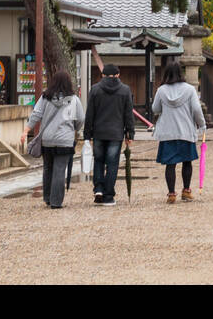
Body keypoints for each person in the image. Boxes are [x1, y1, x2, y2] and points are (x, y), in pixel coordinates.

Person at [22, 71, 84, 209]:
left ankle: (47, 198)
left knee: (48, 168)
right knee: (59, 170)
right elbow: (80, 119)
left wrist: (26, 130)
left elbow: (36, 114)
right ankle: (56, 202)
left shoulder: (45, 97)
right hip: (65, 140)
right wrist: (74, 128)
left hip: (47, 139)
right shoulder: (73, 99)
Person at [149, 61, 206, 203]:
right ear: (181, 73)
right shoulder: (189, 89)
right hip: (185, 130)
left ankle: (171, 193)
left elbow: (155, 109)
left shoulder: (162, 90)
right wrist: (201, 124)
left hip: (168, 132)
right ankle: (186, 191)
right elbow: (196, 109)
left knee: (170, 164)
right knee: (187, 162)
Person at [83, 63, 135, 206]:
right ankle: (108, 195)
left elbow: (90, 114)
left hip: (99, 132)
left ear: (103, 75)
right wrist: (130, 133)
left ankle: (98, 189)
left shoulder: (95, 89)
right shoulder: (125, 90)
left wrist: (87, 134)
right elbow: (128, 114)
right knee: (112, 164)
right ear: (118, 75)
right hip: (116, 133)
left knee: (98, 161)